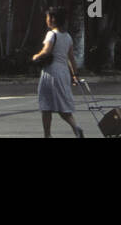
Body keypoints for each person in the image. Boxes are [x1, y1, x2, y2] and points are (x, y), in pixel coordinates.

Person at [32, 7, 84, 138]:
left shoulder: (51, 34)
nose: (47, 20)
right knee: (63, 105)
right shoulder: (67, 37)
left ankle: (47, 135)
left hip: (51, 73)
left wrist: (36, 56)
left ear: (53, 19)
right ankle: (75, 127)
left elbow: (47, 51)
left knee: (46, 106)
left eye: (48, 17)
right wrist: (75, 75)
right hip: (63, 73)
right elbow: (71, 58)